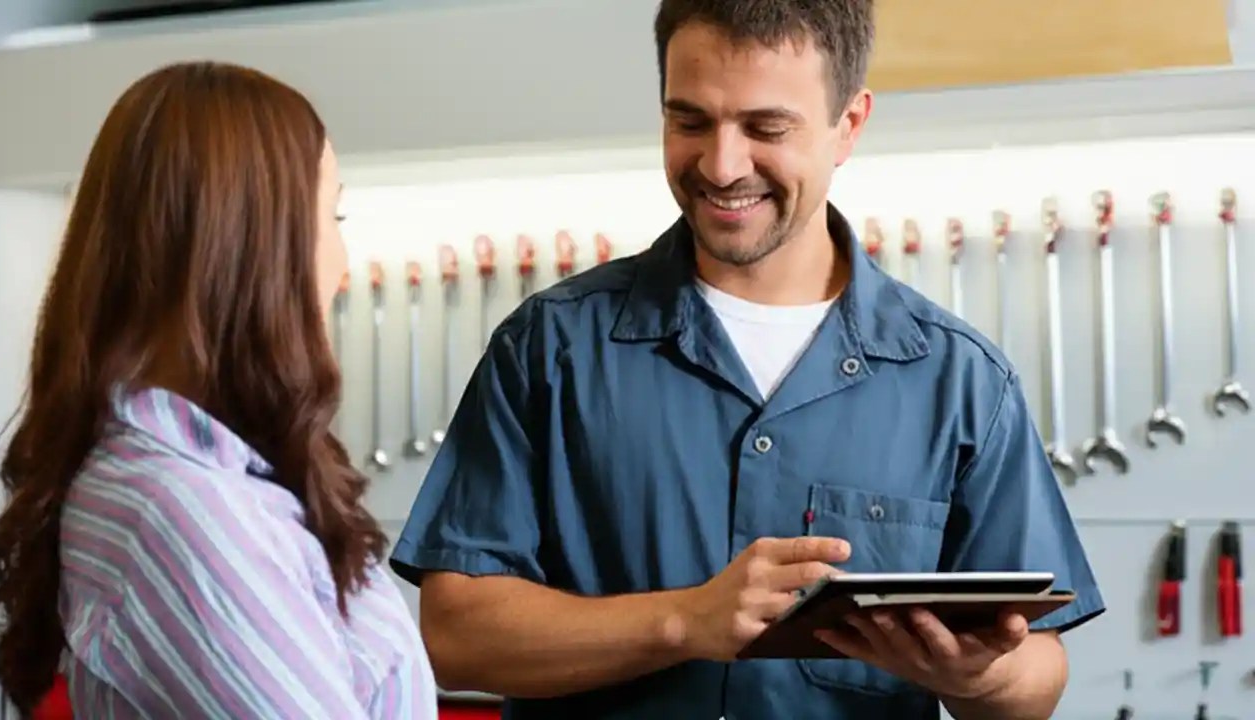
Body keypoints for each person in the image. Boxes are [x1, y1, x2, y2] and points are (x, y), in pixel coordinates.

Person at [392, 1, 1104, 718]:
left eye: (766, 129)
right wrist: (683, 621)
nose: (721, 166)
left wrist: (976, 678)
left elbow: (1038, 668)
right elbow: (455, 634)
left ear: (848, 126)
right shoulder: (548, 350)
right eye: (690, 121)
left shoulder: (962, 382)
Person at [0, 61, 438, 720]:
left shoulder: (196, 477)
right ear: (254, 248)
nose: (342, 261)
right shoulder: (185, 512)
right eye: (331, 217)